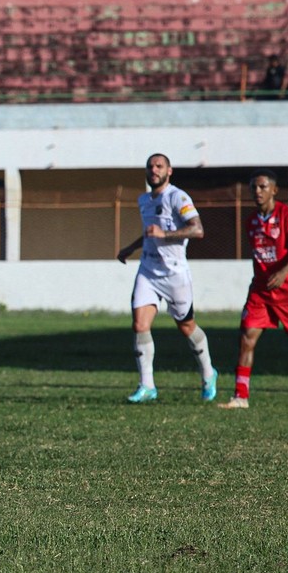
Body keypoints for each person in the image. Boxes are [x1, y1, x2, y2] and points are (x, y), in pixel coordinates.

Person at [219, 169, 288, 410]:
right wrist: (258, 279)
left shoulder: (286, 214)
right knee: (247, 337)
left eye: (262, 187)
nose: (257, 192)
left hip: (287, 289)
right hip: (260, 291)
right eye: (254, 187)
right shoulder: (251, 221)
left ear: (274, 190)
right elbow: (258, 256)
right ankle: (241, 397)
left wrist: (282, 273)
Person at [116, 153, 216, 404]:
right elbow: (151, 233)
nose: (154, 170)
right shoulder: (144, 200)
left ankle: (208, 372)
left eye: (159, 166)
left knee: (187, 328)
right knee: (139, 325)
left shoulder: (178, 197)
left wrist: (165, 233)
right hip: (148, 270)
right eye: (150, 166)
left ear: (169, 171)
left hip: (174, 274)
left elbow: (198, 229)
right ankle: (147, 385)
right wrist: (131, 248)